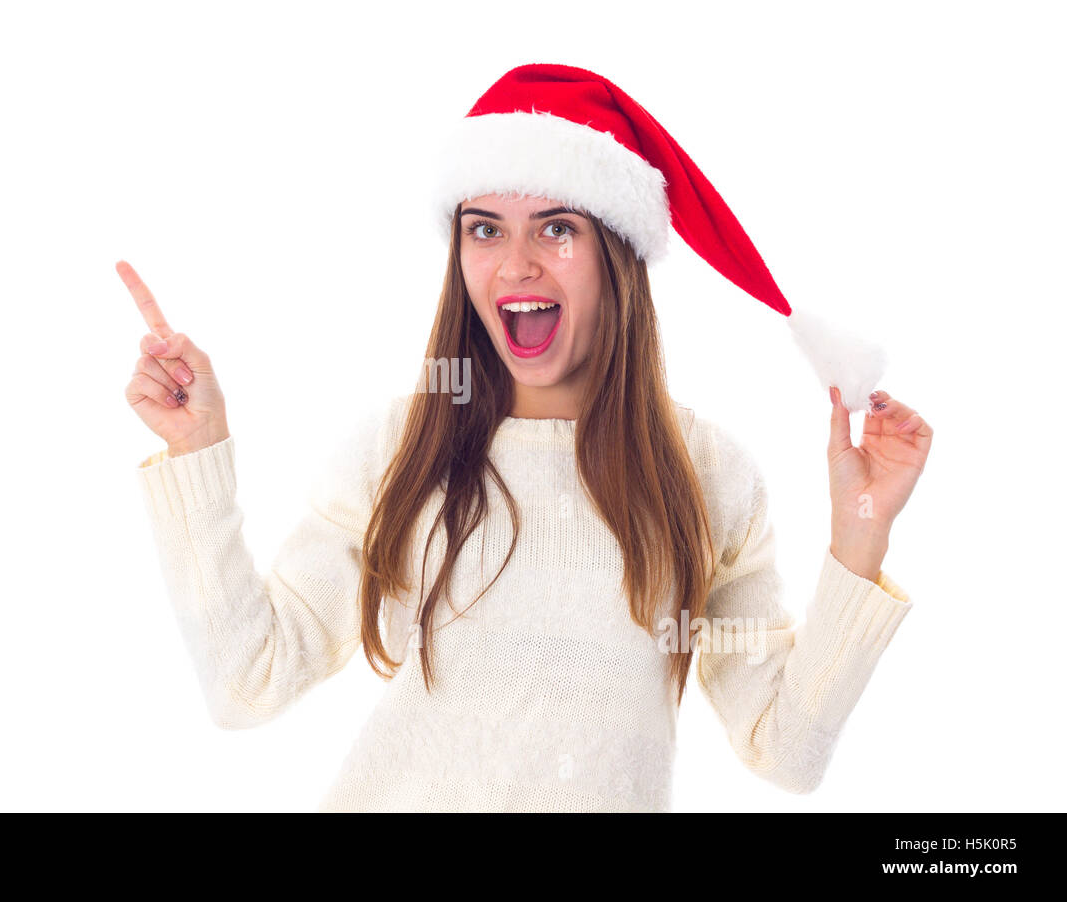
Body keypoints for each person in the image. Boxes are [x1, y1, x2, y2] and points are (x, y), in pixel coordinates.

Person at [118, 63, 933, 812]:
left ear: (616, 251)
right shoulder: (397, 449)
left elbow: (784, 750)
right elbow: (246, 681)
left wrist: (861, 536)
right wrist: (198, 455)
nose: (514, 267)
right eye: (484, 229)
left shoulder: (707, 474)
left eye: (555, 229)